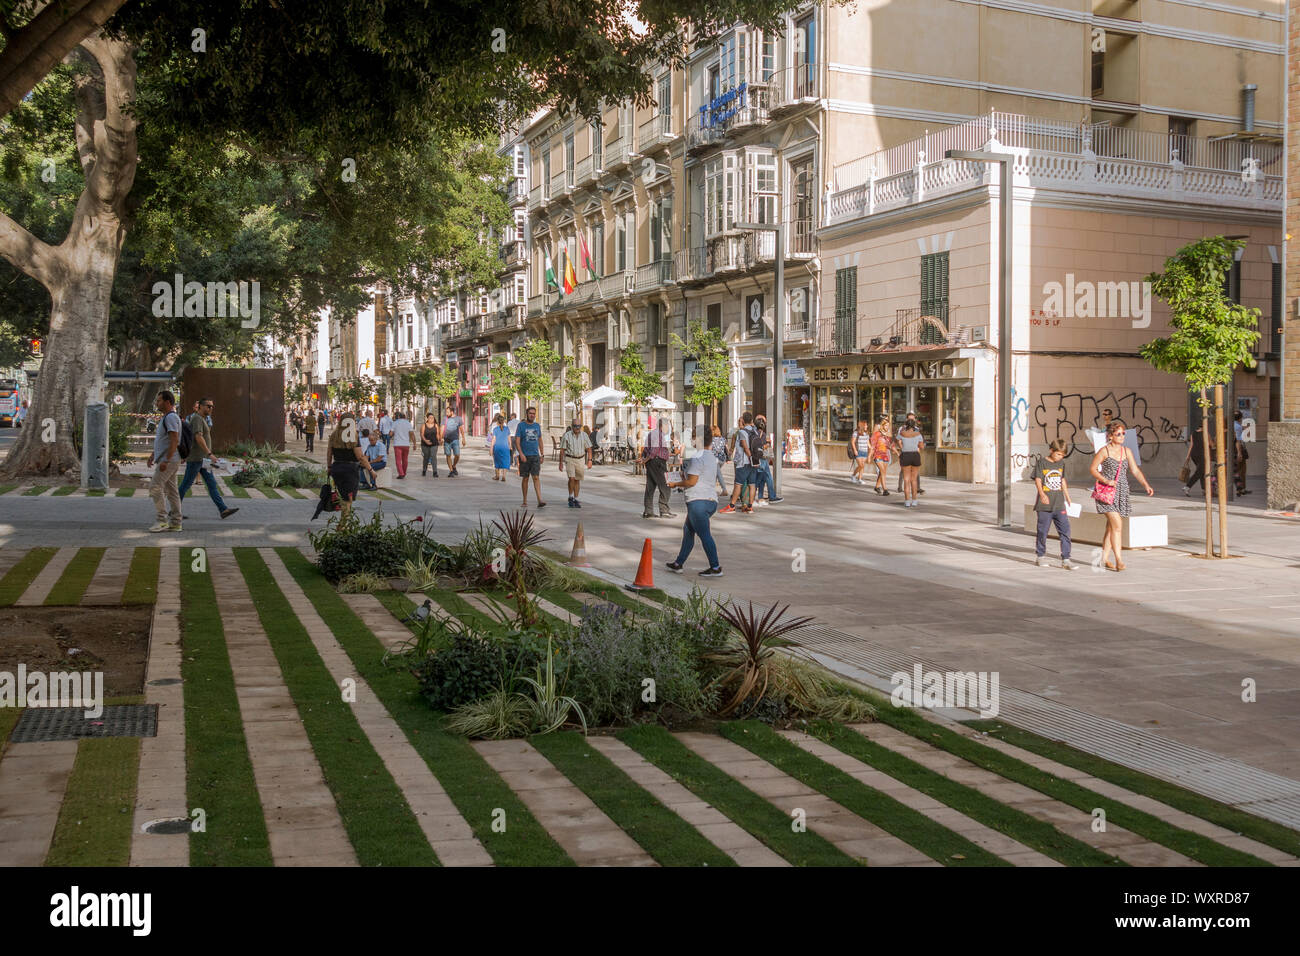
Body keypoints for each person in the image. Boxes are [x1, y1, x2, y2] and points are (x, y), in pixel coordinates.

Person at [1089, 420, 1154, 572]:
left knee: (1111, 527)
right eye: (1118, 434)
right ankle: (1119, 560)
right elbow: (1092, 469)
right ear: (1110, 436)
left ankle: (1103, 559)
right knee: (1117, 525)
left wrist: (1146, 485)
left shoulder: (1126, 451)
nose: (1122, 436)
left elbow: (1135, 471)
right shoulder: (1104, 451)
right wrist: (1106, 480)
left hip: (1122, 492)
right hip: (1106, 493)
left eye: (1123, 433)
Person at [665, 424, 724, 578]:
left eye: (693, 437)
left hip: (698, 501)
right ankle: (678, 563)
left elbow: (691, 482)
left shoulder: (697, 458)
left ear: (698, 439)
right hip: (710, 500)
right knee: (688, 531)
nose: (691, 440)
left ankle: (716, 567)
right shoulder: (711, 457)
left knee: (705, 535)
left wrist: (675, 484)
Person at [177, 396, 239, 520]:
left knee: (211, 484)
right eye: (208, 406)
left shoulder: (203, 419)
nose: (211, 408)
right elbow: (198, 437)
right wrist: (210, 453)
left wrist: (208, 456)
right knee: (185, 485)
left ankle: (223, 510)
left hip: (203, 460)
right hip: (196, 459)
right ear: (200, 406)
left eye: (212, 406)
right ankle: (174, 511)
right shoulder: (197, 419)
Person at [1033, 440, 1076, 569]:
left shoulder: (1061, 464)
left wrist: (1067, 496)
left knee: (1065, 531)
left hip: (1059, 504)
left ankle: (1066, 559)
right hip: (1045, 505)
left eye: (1062, 455)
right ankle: (1040, 556)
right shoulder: (1042, 463)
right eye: (1058, 454)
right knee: (1042, 531)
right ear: (1051, 450)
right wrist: (1042, 494)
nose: (1060, 457)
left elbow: (1062, 480)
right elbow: (1038, 480)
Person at [146, 390, 184, 532]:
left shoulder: (171, 418)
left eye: (159, 400)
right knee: (172, 491)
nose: (157, 403)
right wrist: (153, 455)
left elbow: (174, 440)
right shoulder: (166, 417)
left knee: (155, 487)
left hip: (169, 461)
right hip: (168, 459)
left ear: (168, 402)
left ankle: (162, 520)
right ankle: (176, 522)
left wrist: (166, 461)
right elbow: (164, 440)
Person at [328, 414, 375, 515]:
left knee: (343, 497)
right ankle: (343, 525)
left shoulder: (334, 435)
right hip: (350, 470)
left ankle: (344, 523)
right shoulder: (353, 436)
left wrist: (329, 467)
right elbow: (360, 457)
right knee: (348, 499)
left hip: (337, 467)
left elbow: (329, 453)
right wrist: (371, 470)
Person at [721, 413, 755, 514]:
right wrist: (754, 460)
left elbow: (745, 447)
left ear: (743, 420)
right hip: (753, 463)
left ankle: (731, 506)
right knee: (751, 484)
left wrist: (750, 457)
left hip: (743, 462)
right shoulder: (755, 431)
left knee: (738, 484)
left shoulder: (742, 432)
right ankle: (750, 506)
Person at [641, 416, 674, 518]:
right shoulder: (658, 435)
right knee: (665, 486)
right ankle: (663, 510)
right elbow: (654, 451)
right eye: (667, 425)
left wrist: (645, 460)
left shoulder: (653, 434)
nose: (669, 428)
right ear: (663, 425)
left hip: (652, 462)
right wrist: (645, 460)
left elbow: (647, 449)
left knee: (650, 487)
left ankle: (648, 511)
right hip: (657, 462)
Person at [513, 407, 546, 507]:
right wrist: (521, 454)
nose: (532, 415)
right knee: (525, 478)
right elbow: (517, 441)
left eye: (534, 414)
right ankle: (525, 500)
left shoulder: (537, 426)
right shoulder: (521, 426)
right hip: (525, 456)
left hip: (535, 455)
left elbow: (540, 440)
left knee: (536, 477)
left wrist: (542, 454)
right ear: (527, 414)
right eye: (530, 413)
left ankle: (540, 500)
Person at [560, 416, 593, 508]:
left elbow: (589, 449)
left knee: (577, 480)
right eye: (575, 426)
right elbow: (562, 450)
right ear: (572, 426)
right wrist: (560, 463)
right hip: (570, 458)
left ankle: (576, 498)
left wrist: (590, 460)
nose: (577, 428)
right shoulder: (567, 435)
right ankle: (570, 497)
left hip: (581, 459)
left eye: (579, 426)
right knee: (571, 478)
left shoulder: (584, 435)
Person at [751, 414, 782, 504]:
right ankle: (771, 496)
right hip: (762, 458)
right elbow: (762, 446)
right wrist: (767, 445)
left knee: (760, 478)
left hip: (755, 458)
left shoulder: (753, 433)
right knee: (767, 477)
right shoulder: (763, 434)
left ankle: (759, 497)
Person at [896, 416, 924, 507]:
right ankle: (914, 500)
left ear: (906, 425)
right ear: (914, 426)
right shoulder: (918, 434)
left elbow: (898, 441)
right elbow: (921, 446)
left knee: (906, 479)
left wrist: (902, 447)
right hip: (915, 455)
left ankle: (907, 501)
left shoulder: (902, 433)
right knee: (914, 479)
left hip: (905, 455)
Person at [1183, 422, 1210, 496]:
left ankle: (1204, 489)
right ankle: (1187, 487)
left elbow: (1191, 445)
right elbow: (1210, 444)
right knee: (1199, 472)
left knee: (1201, 471)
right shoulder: (1206, 434)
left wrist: (1188, 456)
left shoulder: (1193, 434)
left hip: (1194, 454)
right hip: (1202, 454)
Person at [390, 410, 413, 478]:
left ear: (398, 416)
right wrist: (414, 443)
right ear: (405, 417)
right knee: (405, 459)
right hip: (406, 444)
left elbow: (391, 433)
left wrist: (391, 435)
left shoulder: (395, 423)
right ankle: (404, 472)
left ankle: (401, 473)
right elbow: (411, 434)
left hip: (397, 444)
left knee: (398, 460)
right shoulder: (408, 423)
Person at [442, 408, 464, 476]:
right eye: (446, 412)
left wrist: (463, 438)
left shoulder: (458, 418)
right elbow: (442, 428)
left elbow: (461, 429)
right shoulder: (445, 419)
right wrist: (441, 438)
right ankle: (451, 471)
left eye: (448, 412)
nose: (446, 413)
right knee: (448, 455)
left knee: (457, 455)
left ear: (452, 412)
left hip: (455, 440)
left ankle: (454, 466)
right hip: (446, 440)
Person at [490, 413, 512, 480]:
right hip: (505, 447)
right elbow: (509, 439)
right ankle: (504, 476)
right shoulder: (507, 429)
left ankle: (497, 476)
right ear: (503, 421)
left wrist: (491, 448)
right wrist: (510, 446)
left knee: (497, 461)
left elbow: (493, 439)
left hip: (497, 447)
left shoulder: (495, 429)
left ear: (497, 422)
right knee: (505, 461)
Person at [1233, 411, 1250, 495]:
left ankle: (1239, 488)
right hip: (1239, 449)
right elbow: (1238, 440)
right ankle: (1241, 488)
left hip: (1231, 449)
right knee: (1242, 470)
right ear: (1240, 418)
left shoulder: (1231, 425)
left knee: (1236, 470)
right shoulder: (1238, 427)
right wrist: (1240, 452)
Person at [710, 424, 728, 495]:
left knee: (718, 474)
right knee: (716, 473)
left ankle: (724, 489)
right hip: (722, 459)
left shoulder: (711, 440)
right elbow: (727, 448)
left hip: (715, 459)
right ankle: (712, 489)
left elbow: (710, 449)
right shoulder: (723, 439)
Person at [848, 420, 867, 484]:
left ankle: (860, 479)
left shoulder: (866, 433)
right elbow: (852, 442)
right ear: (862, 426)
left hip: (865, 451)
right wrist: (855, 450)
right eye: (865, 425)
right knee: (861, 465)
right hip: (858, 451)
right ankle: (853, 475)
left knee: (863, 465)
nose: (866, 426)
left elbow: (867, 442)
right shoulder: (856, 432)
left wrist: (871, 448)